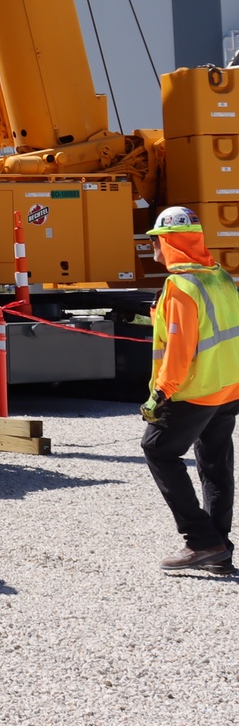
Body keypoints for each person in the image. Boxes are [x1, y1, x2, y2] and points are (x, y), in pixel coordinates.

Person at [139, 206, 239, 573]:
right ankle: (220, 550)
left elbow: (180, 351)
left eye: (157, 241)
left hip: (195, 391)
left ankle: (201, 541)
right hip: (228, 387)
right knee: (215, 464)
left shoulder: (181, 286)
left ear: (170, 242)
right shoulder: (220, 277)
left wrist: (159, 394)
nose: (155, 248)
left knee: (156, 450)